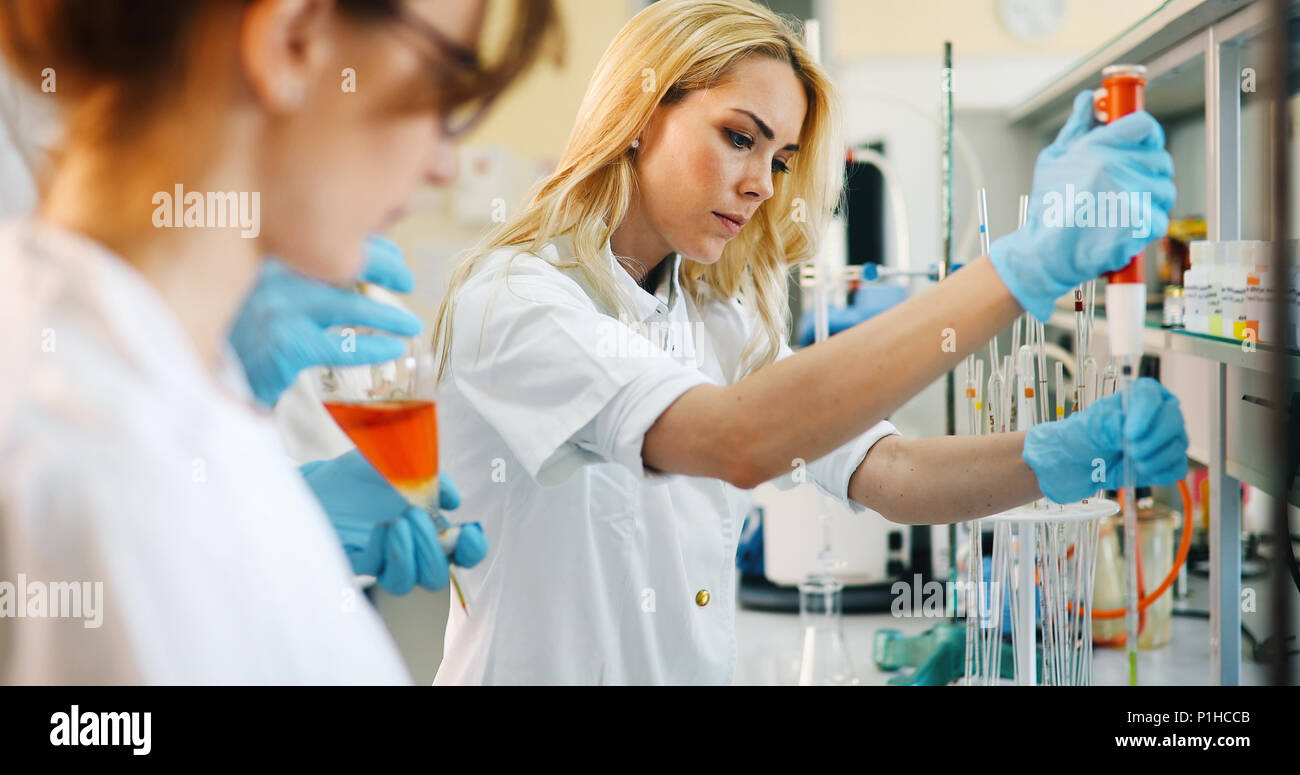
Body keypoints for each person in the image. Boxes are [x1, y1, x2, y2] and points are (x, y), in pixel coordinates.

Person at [428, 0, 1188, 684]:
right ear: (639, 112)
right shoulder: (517, 301)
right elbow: (737, 440)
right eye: (738, 138)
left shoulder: (712, 315)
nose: (762, 183)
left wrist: (1069, 454)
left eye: (780, 159)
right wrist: (1024, 264)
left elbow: (892, 473)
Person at [0, 0, 557, 683]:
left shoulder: (150, 384)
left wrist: (293, 517)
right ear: (291, 38)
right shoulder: (102, 464)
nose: (446, 163)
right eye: (444, 93)